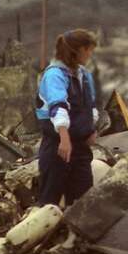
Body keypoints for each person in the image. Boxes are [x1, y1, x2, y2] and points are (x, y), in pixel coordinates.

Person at [35, 29, 99, 207]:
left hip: (80, 148)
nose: (90, 54)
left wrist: (91, 129)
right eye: (88, 50)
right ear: (77, 50)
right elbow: (58, 106)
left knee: (83, 201)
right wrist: (64, 139)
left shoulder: (84, 75)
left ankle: (77, 234)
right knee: (50, 201)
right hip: (58, 146)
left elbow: (90, 105)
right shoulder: (54, 75)